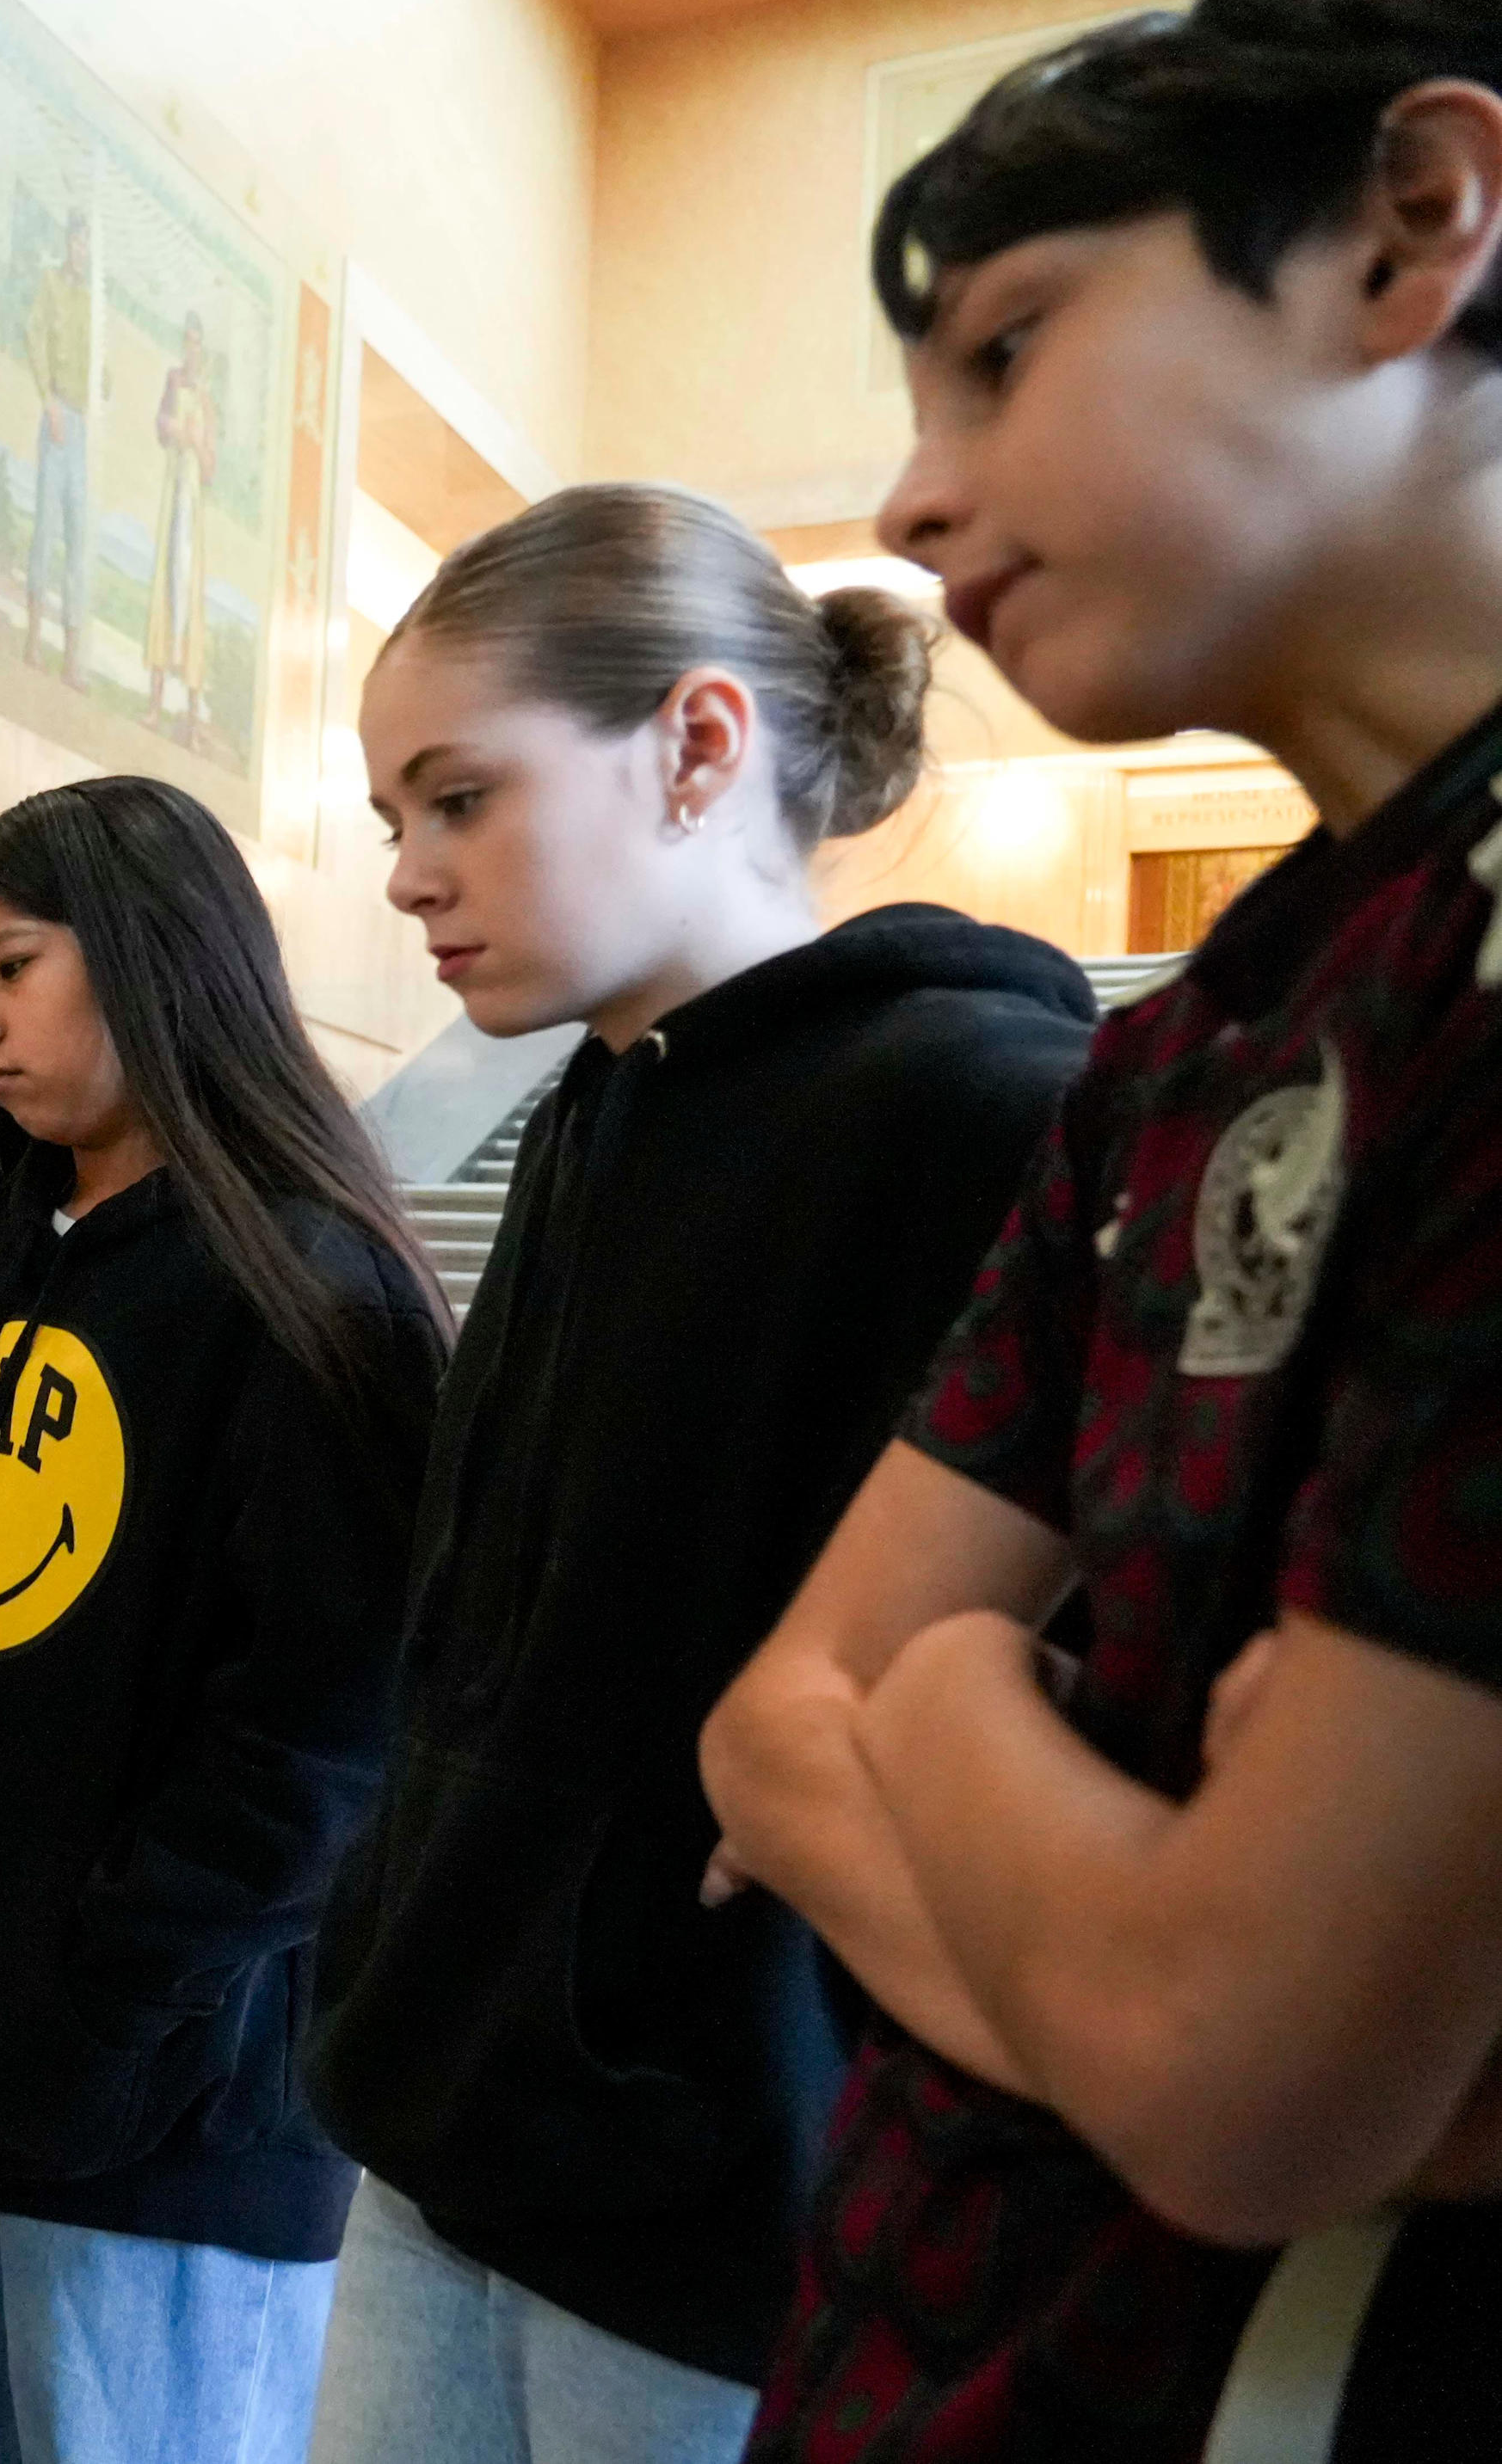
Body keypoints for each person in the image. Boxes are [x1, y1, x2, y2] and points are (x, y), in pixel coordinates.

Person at [698, 0, 1502, 2456]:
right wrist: (1115, 1843)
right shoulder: (1188, 1039)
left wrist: (944, 1706)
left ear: (1410, 226)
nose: (916, 505)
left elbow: (1233, 2072)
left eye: (1004, 353)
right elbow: (760, 1738)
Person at [299, 483, 1093, 2464]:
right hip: (447, 2122)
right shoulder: (583, 1105)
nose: (408, 872)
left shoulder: (975, 1105)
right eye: (396, 814)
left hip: (731, 2177)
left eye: (457, 798)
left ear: (702, 744)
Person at [0, 777, 449, 2464]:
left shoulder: (308, 1289)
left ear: (149, 959)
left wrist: (116, 1996)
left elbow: (318, 1730)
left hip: (164, 2122)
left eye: (11, 965)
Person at [22, 212, 94, 686]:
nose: (80, 251)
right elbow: (35, 337)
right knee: (45, 530)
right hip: (57, 418)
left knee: (78, 540)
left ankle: (71, 656)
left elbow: (97, 366)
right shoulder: (51, 285)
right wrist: (47, 398)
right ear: (67, 242)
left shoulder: (92, 303)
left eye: (86, 245)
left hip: (83, 425)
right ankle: (32, 639)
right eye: (76, 242)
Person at [141, 315, 216, 738]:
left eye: (197, 344)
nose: (191, 351)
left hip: (194, 508)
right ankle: (154, 703)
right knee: (165, 593)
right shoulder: (173, 381)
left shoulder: (207, 400)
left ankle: (190, 717)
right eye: (187, 342)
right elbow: (160, 425)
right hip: (174, 499)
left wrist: (197, 443)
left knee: (190, 602)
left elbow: (210, 467)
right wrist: (177, 431)